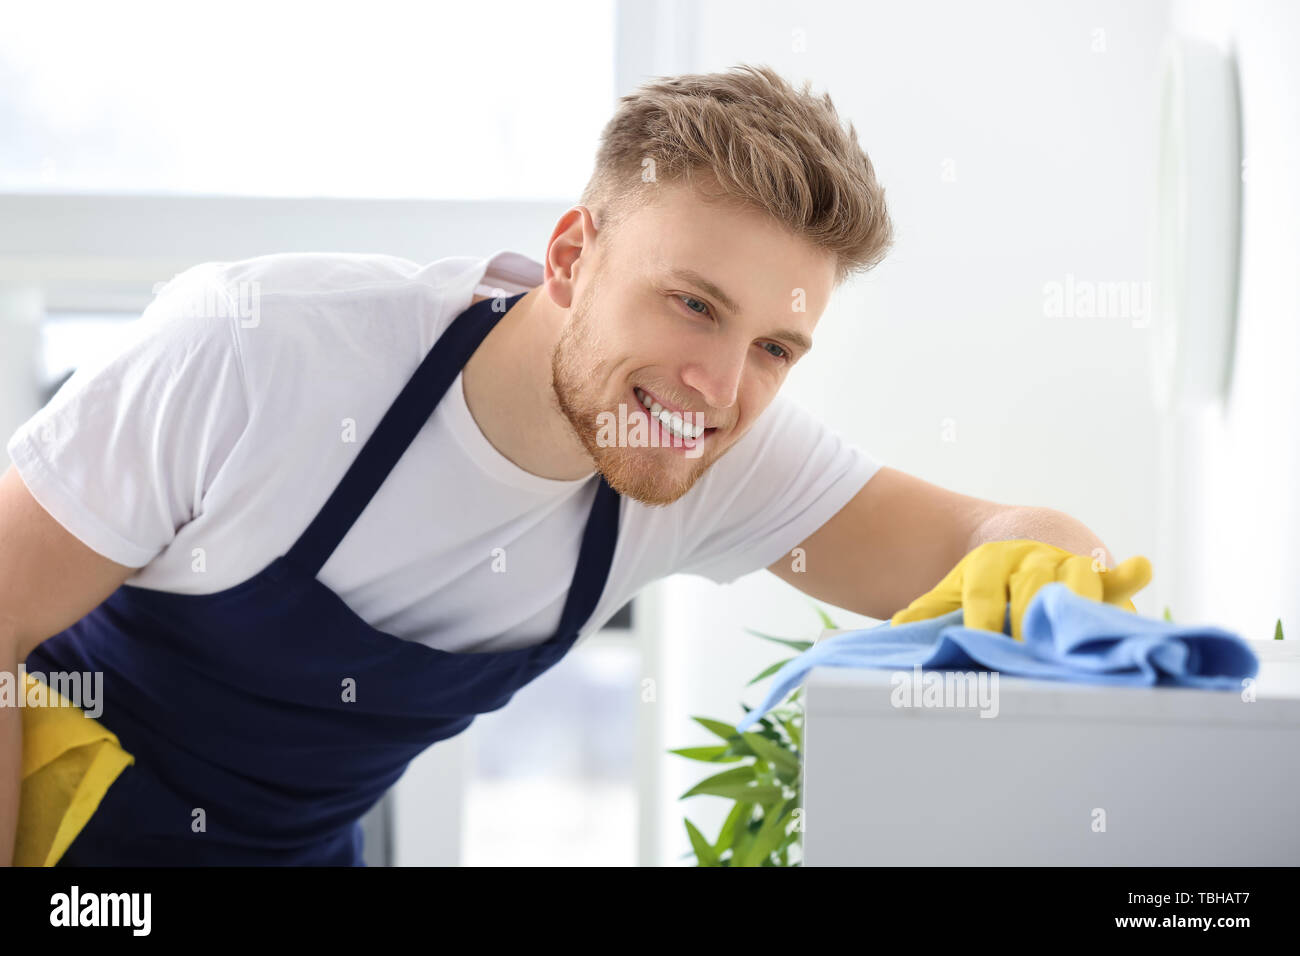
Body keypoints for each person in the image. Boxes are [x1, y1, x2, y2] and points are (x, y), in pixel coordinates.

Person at [0, 64, 1121, 865]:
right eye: (692, 304)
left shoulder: (720, 459)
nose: (719, 389)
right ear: (574, 257)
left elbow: (994, 532)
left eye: (774, 348)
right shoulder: (259, 348)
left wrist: (1065, 577)